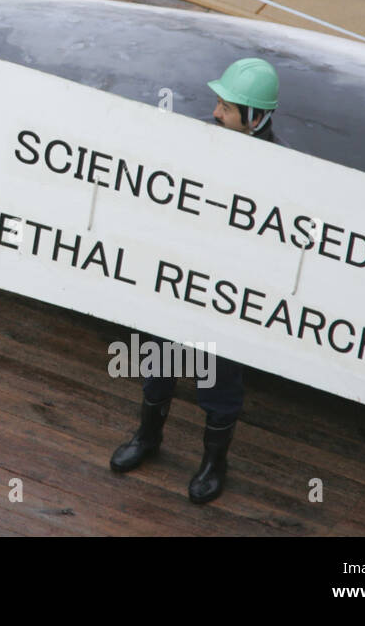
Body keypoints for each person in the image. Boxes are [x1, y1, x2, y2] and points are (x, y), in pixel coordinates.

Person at [110, 57, 281, 504]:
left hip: (226, 293)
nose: (215, 113)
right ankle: (148, 437)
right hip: (178, 276)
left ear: (255, 118)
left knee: (221, 381)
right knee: (158, 360)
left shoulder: (284, 174)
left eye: (226, 107)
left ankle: (213, 462)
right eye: (217, 103)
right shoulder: (196, 142)